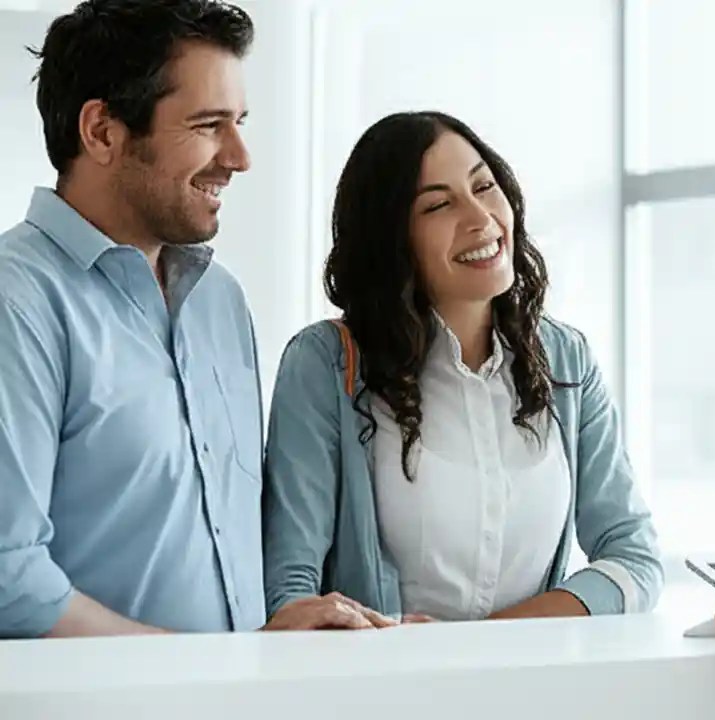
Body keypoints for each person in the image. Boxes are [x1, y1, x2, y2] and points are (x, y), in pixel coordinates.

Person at [262, 111, 663, 628]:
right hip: (379, 677)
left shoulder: (565, 359)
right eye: (438, 205)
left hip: (530, 676)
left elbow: (634, 557)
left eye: (484, 186)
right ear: (390, 238)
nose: (480, 218)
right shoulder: (325, 365)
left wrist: (483, 643)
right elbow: (289, 593)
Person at [0, 0, 270, 637]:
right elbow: (9, 579)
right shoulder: (16, 302)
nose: (239, 157)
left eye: (238, 123)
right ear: (102, 132)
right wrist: (195, 671)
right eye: (208, 125)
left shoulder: (220, 301)